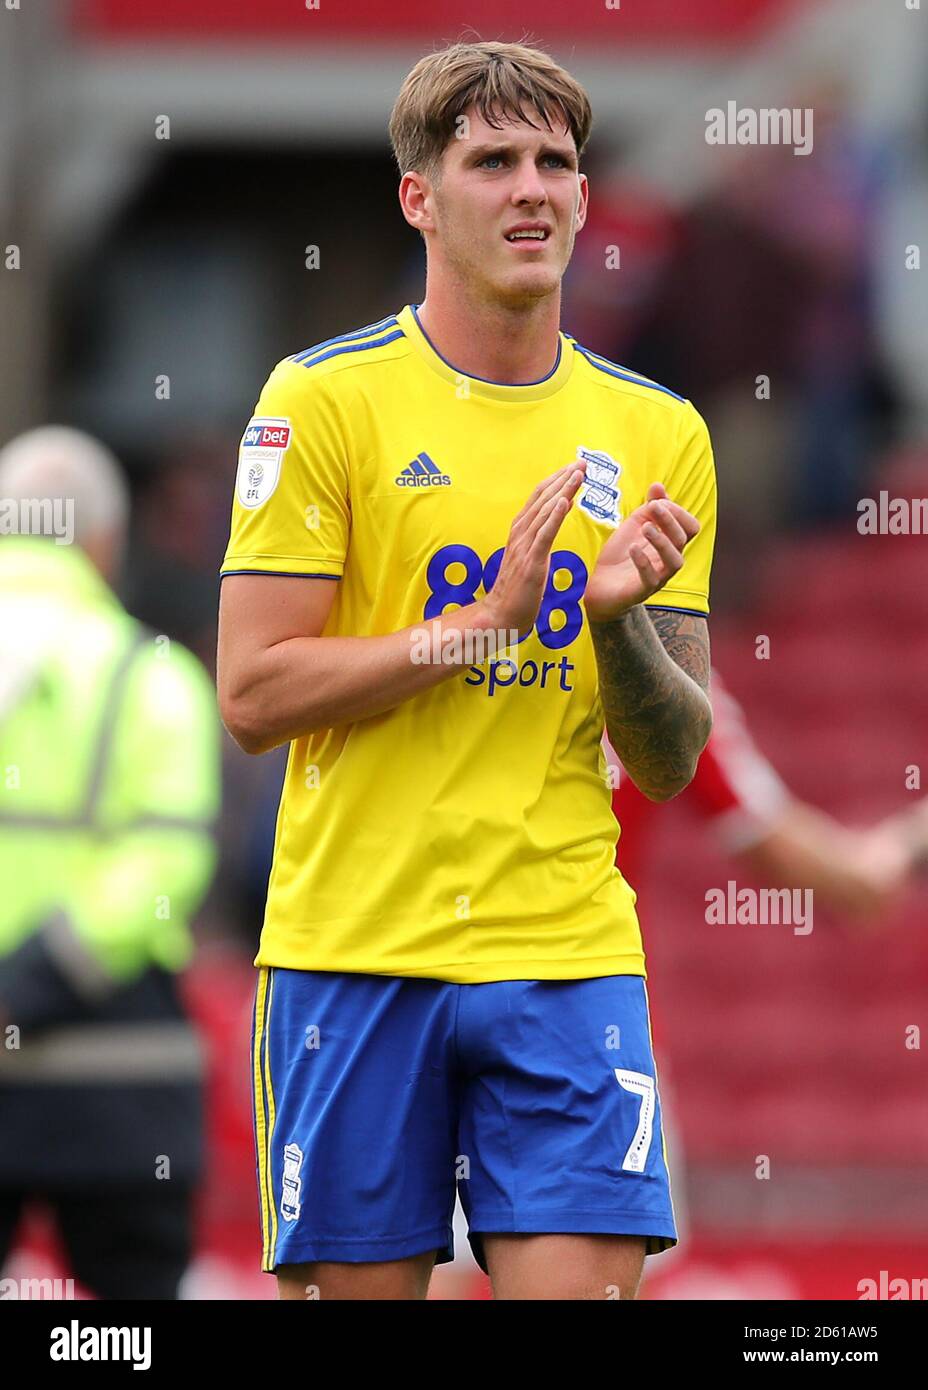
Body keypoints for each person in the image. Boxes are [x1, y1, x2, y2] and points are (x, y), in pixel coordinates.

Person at [217, 40, 717, 1302]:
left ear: (586, 198)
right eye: (492, 161)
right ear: (420, 198)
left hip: (562, 953)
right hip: (355, 951)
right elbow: (253, 696)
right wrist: (477, 627)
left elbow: (668, 762)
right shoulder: (321, 401)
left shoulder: (660, 433)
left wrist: (611, 621)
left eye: (555, 161)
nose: (531, 189)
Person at [0, 427, 220, 1299]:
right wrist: (31, 981)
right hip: (117, 1074)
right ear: (103, 543)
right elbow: (164, 866)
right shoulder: (151, 678)